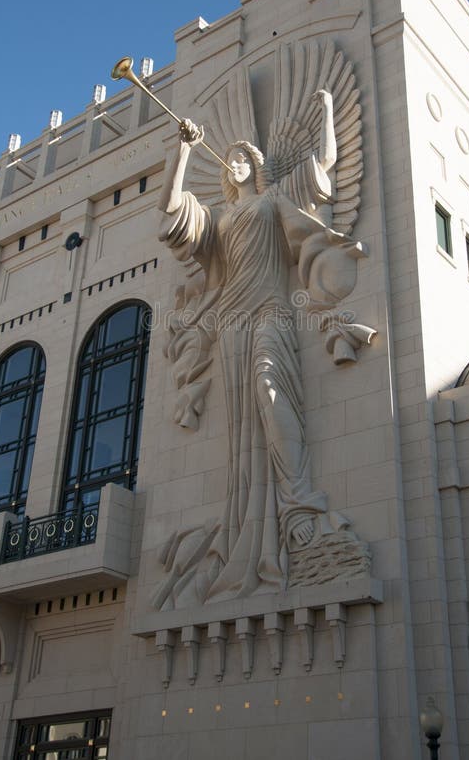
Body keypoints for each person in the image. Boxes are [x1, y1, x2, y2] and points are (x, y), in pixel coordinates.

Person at [155, 90, 348, 608]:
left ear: (255, 167)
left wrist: (326, 111)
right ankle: (256, 535)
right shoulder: (218, 223)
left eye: (245, 157)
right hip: (232, 324)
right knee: (244, 431)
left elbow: (323, 168)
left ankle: (301, 504)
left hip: (271, 312)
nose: (236, 162)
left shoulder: (272, 201)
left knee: (270, 390)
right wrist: (184, 153)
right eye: (232, 157)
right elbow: (173, 220)